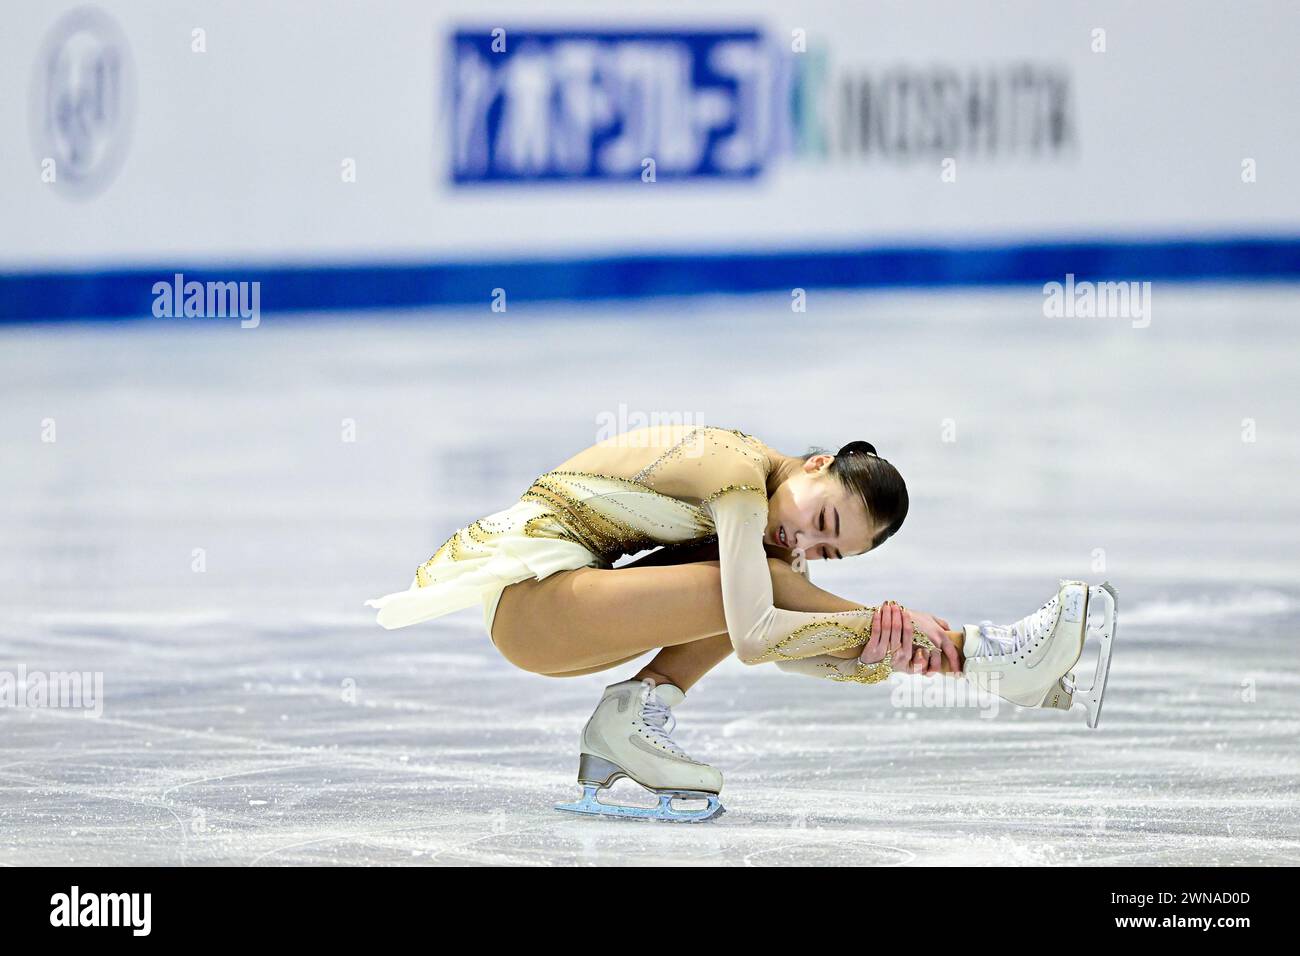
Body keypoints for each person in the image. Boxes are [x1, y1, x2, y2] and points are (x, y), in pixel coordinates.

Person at [367, 424, 1116, 821]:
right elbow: (758, 634)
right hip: (536, 604)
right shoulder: (734, 469)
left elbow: (789, 646)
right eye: (821, 519)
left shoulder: (769, 535)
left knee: (768, 585)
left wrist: (881, 645)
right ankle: (991, 658)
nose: (807, 544)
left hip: (564, 612)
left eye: (831, 548)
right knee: (764, 590)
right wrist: (902, 636)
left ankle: (629, 720)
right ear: (817, 463)